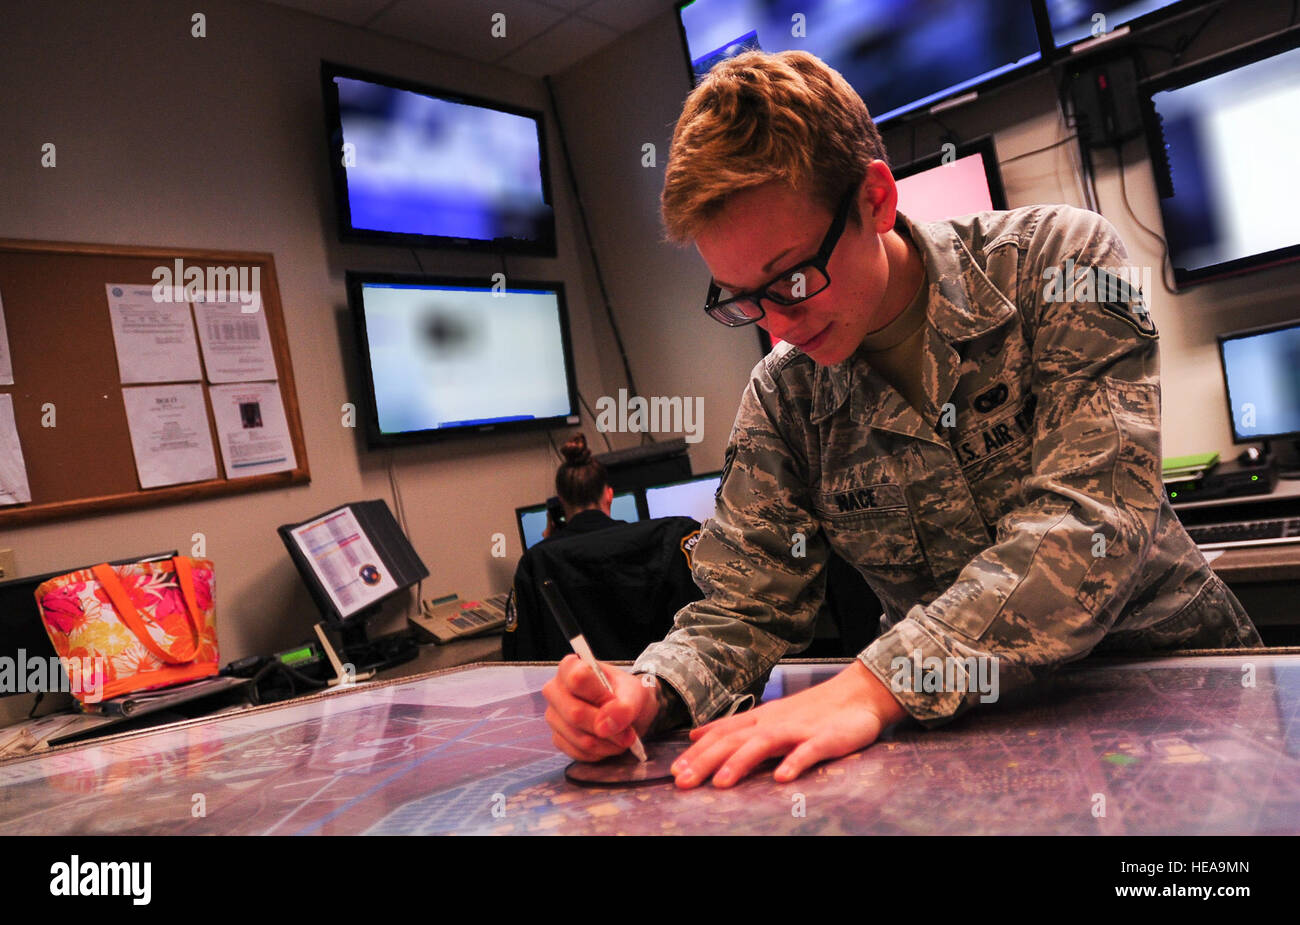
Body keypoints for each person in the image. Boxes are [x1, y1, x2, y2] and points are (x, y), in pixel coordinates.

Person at [542, 49, 1263, 789]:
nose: (779, 325)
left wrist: (873, 685)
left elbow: (1090, 525)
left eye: (794, 279)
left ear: (876, 200)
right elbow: (744, 604)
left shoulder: (1061, 261)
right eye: (742, 299)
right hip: (971, 745)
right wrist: (648, 690)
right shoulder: (786, 397)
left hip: (1171, 700)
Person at [504, 434, 703, 661]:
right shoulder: (664, 537)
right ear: (609, 495)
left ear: (561, 501)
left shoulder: (538, 561)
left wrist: (548, 545)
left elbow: (517, 654)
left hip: (580, 681)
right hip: (654, 677)